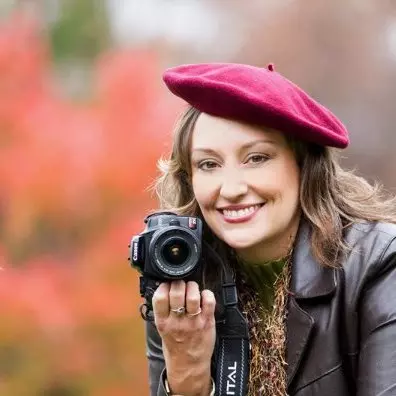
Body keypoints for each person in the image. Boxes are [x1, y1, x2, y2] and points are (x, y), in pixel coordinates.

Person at [143, 62, 396, 395]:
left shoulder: (378, 264)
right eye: (209, 164)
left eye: (257, 158)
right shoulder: (180, 279)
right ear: (189, 179)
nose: (230, 188)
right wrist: (188, 376)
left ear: (304, 164)